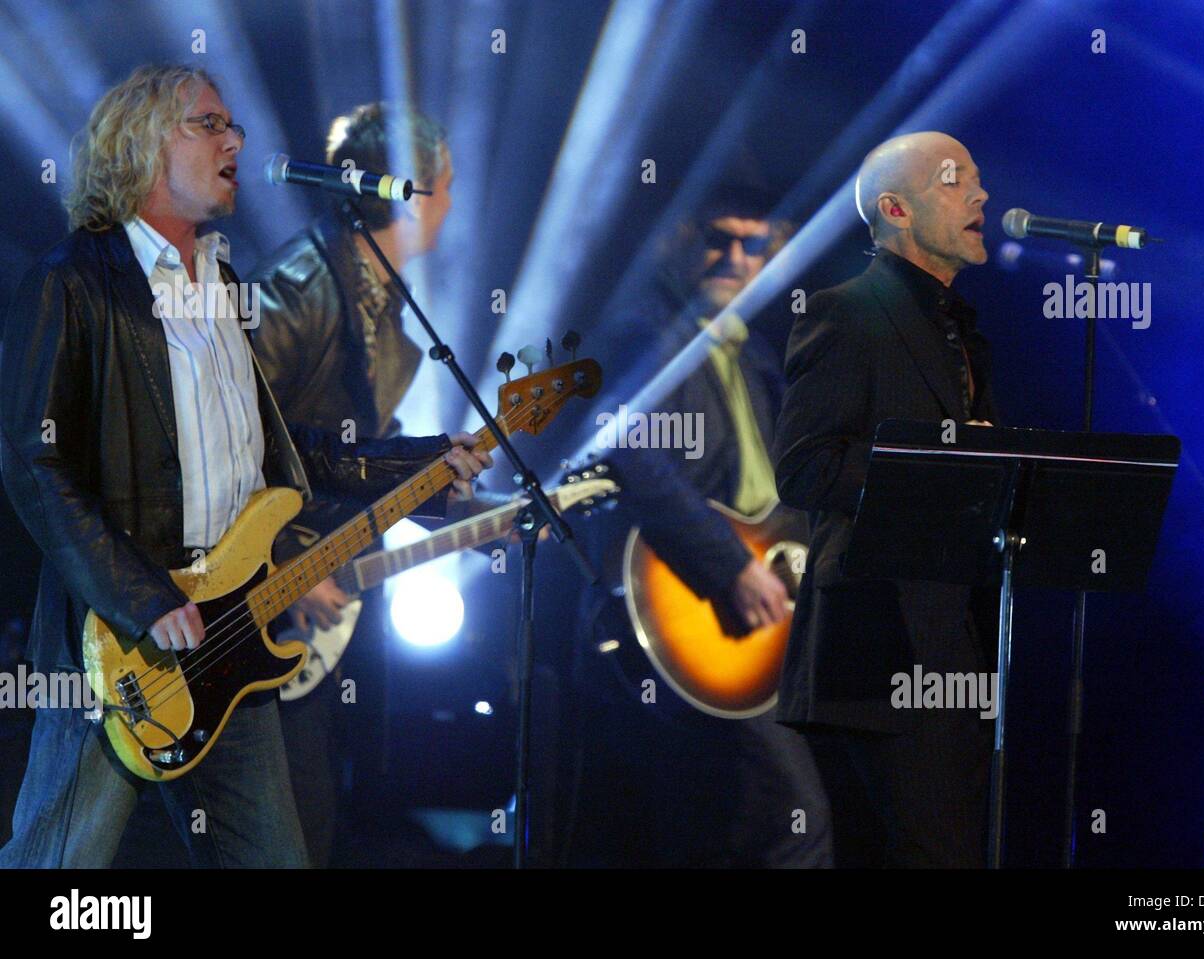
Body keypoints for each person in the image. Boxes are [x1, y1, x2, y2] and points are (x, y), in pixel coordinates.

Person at [0, 64, 489, 869]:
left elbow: (292, 457)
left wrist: (428, 465)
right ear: (146, 143)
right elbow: (33, 463)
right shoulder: (75, 283)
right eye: (210, 124)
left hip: (231, 626)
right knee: (58, 873)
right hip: (121, 640)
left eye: (237, 125)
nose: (236, 140)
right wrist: (139, 596)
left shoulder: (222, 283)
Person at [559, 188, 832, 868]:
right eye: (717, 236)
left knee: (715, 826)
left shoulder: (757, 355)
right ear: (678, 241)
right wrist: (729, 566)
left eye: (753, 242)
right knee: (795, 824)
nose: (734, 256)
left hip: (749, 621)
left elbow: (775, 500)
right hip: (686, 608)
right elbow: (630, 450)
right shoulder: (644, 332)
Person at [249, 102, 472, 868]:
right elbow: (222, 438)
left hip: (311, 615)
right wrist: (279, 563)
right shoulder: (299, 285)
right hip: (250, 604)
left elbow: (350, 459)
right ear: (409, 193)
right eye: (443, 185)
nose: (450, 203)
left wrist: (451, 487)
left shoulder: (384, 313)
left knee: (314, 824)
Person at [773, 131, 999, 867]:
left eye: (976, 179)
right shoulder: (848, 312)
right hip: (875, 648)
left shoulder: (960, 331)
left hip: (952, 638)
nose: (980, 194)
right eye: (953, 179)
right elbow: (803, 469)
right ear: (896, 208)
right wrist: (941, 467)